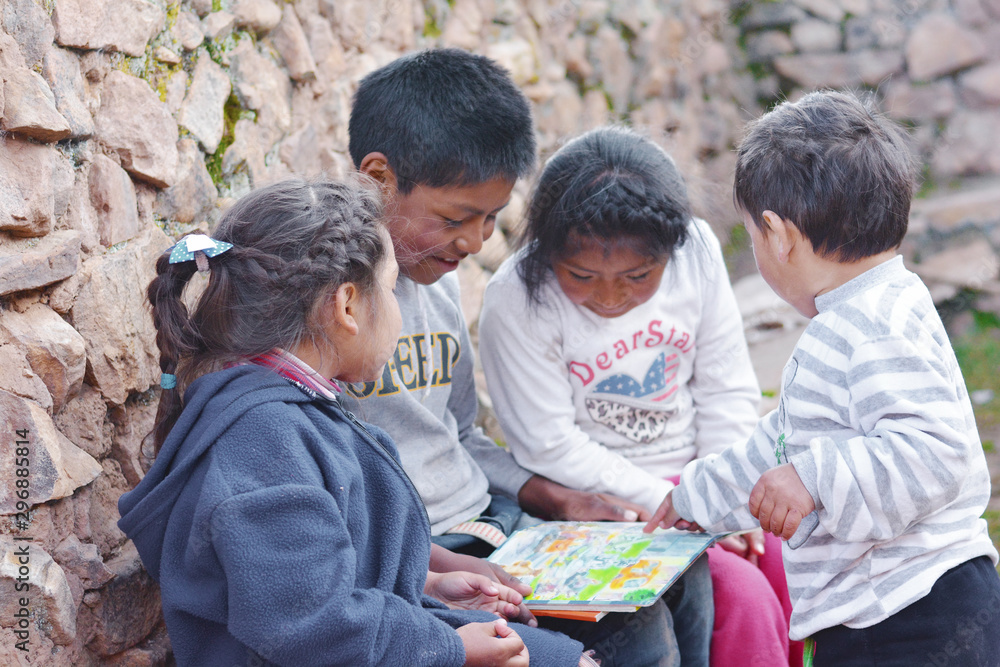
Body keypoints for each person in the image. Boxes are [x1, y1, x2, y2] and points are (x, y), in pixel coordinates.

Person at [339, 48, 713, 666]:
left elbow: (460, 435)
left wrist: (552, 495)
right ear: (378, 177)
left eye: (491, 218)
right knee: (640, 637)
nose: (476, 241)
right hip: (428, 550)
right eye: (458, 217)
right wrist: (432, 564)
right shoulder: (332, 307)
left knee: (683, 578)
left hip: (496, 522)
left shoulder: (437, 285)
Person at [117, 179, 592, 666]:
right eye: (389, 290)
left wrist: (427, 584)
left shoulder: (291, 410)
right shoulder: (262, 443)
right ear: (346, 305)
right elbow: (308, 627)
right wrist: (450, 648)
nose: (397, 313)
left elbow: (325, 569)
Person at [644, 90, 1000, 666]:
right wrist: (700, 494)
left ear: (777, 235)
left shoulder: (874, 326)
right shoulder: (858, 314)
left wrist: (813, 480)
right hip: (877, 614)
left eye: (754, 238)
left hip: (916, 613)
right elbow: (784, 443)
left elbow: (935, 452)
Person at [478, 125, 798, 667]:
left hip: (708, 477)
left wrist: (723, 496)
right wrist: (681, 510)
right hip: (614, 505)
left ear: (670, 252)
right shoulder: (517, 298)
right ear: (545, 251)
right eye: (581, 275)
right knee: (744, 600)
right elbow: (548, 444)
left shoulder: (695, 251)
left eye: (637, 276)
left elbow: (725, 388)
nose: (608, 296)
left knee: (793, 566)